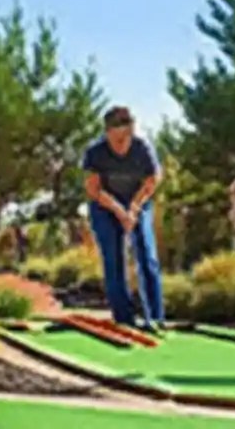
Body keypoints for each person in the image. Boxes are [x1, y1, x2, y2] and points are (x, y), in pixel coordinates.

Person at [82, 107, 165, 330]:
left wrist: (134, 208)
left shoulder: (142, 148)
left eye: (126, 137)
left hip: (138, 201)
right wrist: (120, 211)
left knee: (147, 254)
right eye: (117, 139)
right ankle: (124, 318)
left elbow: (152, 180)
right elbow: (93, 189)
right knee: (113, 257)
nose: (121, 144)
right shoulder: (95, 152)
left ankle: (155, 317)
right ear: (107, 132)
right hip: (105, 206)